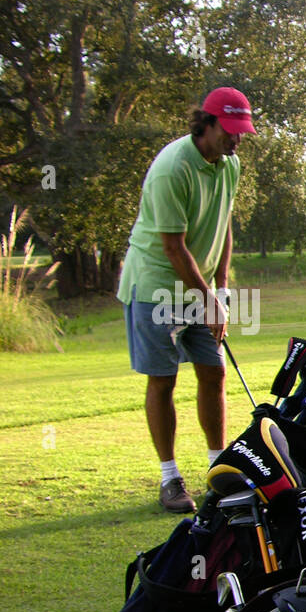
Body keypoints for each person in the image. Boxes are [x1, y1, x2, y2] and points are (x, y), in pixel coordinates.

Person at [117, 86, 256, 513]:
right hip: (156, 284)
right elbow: (173, 248)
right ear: (207, 124)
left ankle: (219, 470)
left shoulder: (229, 164)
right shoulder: (171, 169)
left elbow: (223, 225)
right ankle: (169, 479)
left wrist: (223, 289)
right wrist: (209, 299)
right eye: (229, 130)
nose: (237, 139)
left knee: (213, 372)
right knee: (164, 379)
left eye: (242, 131)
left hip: (199, 285)